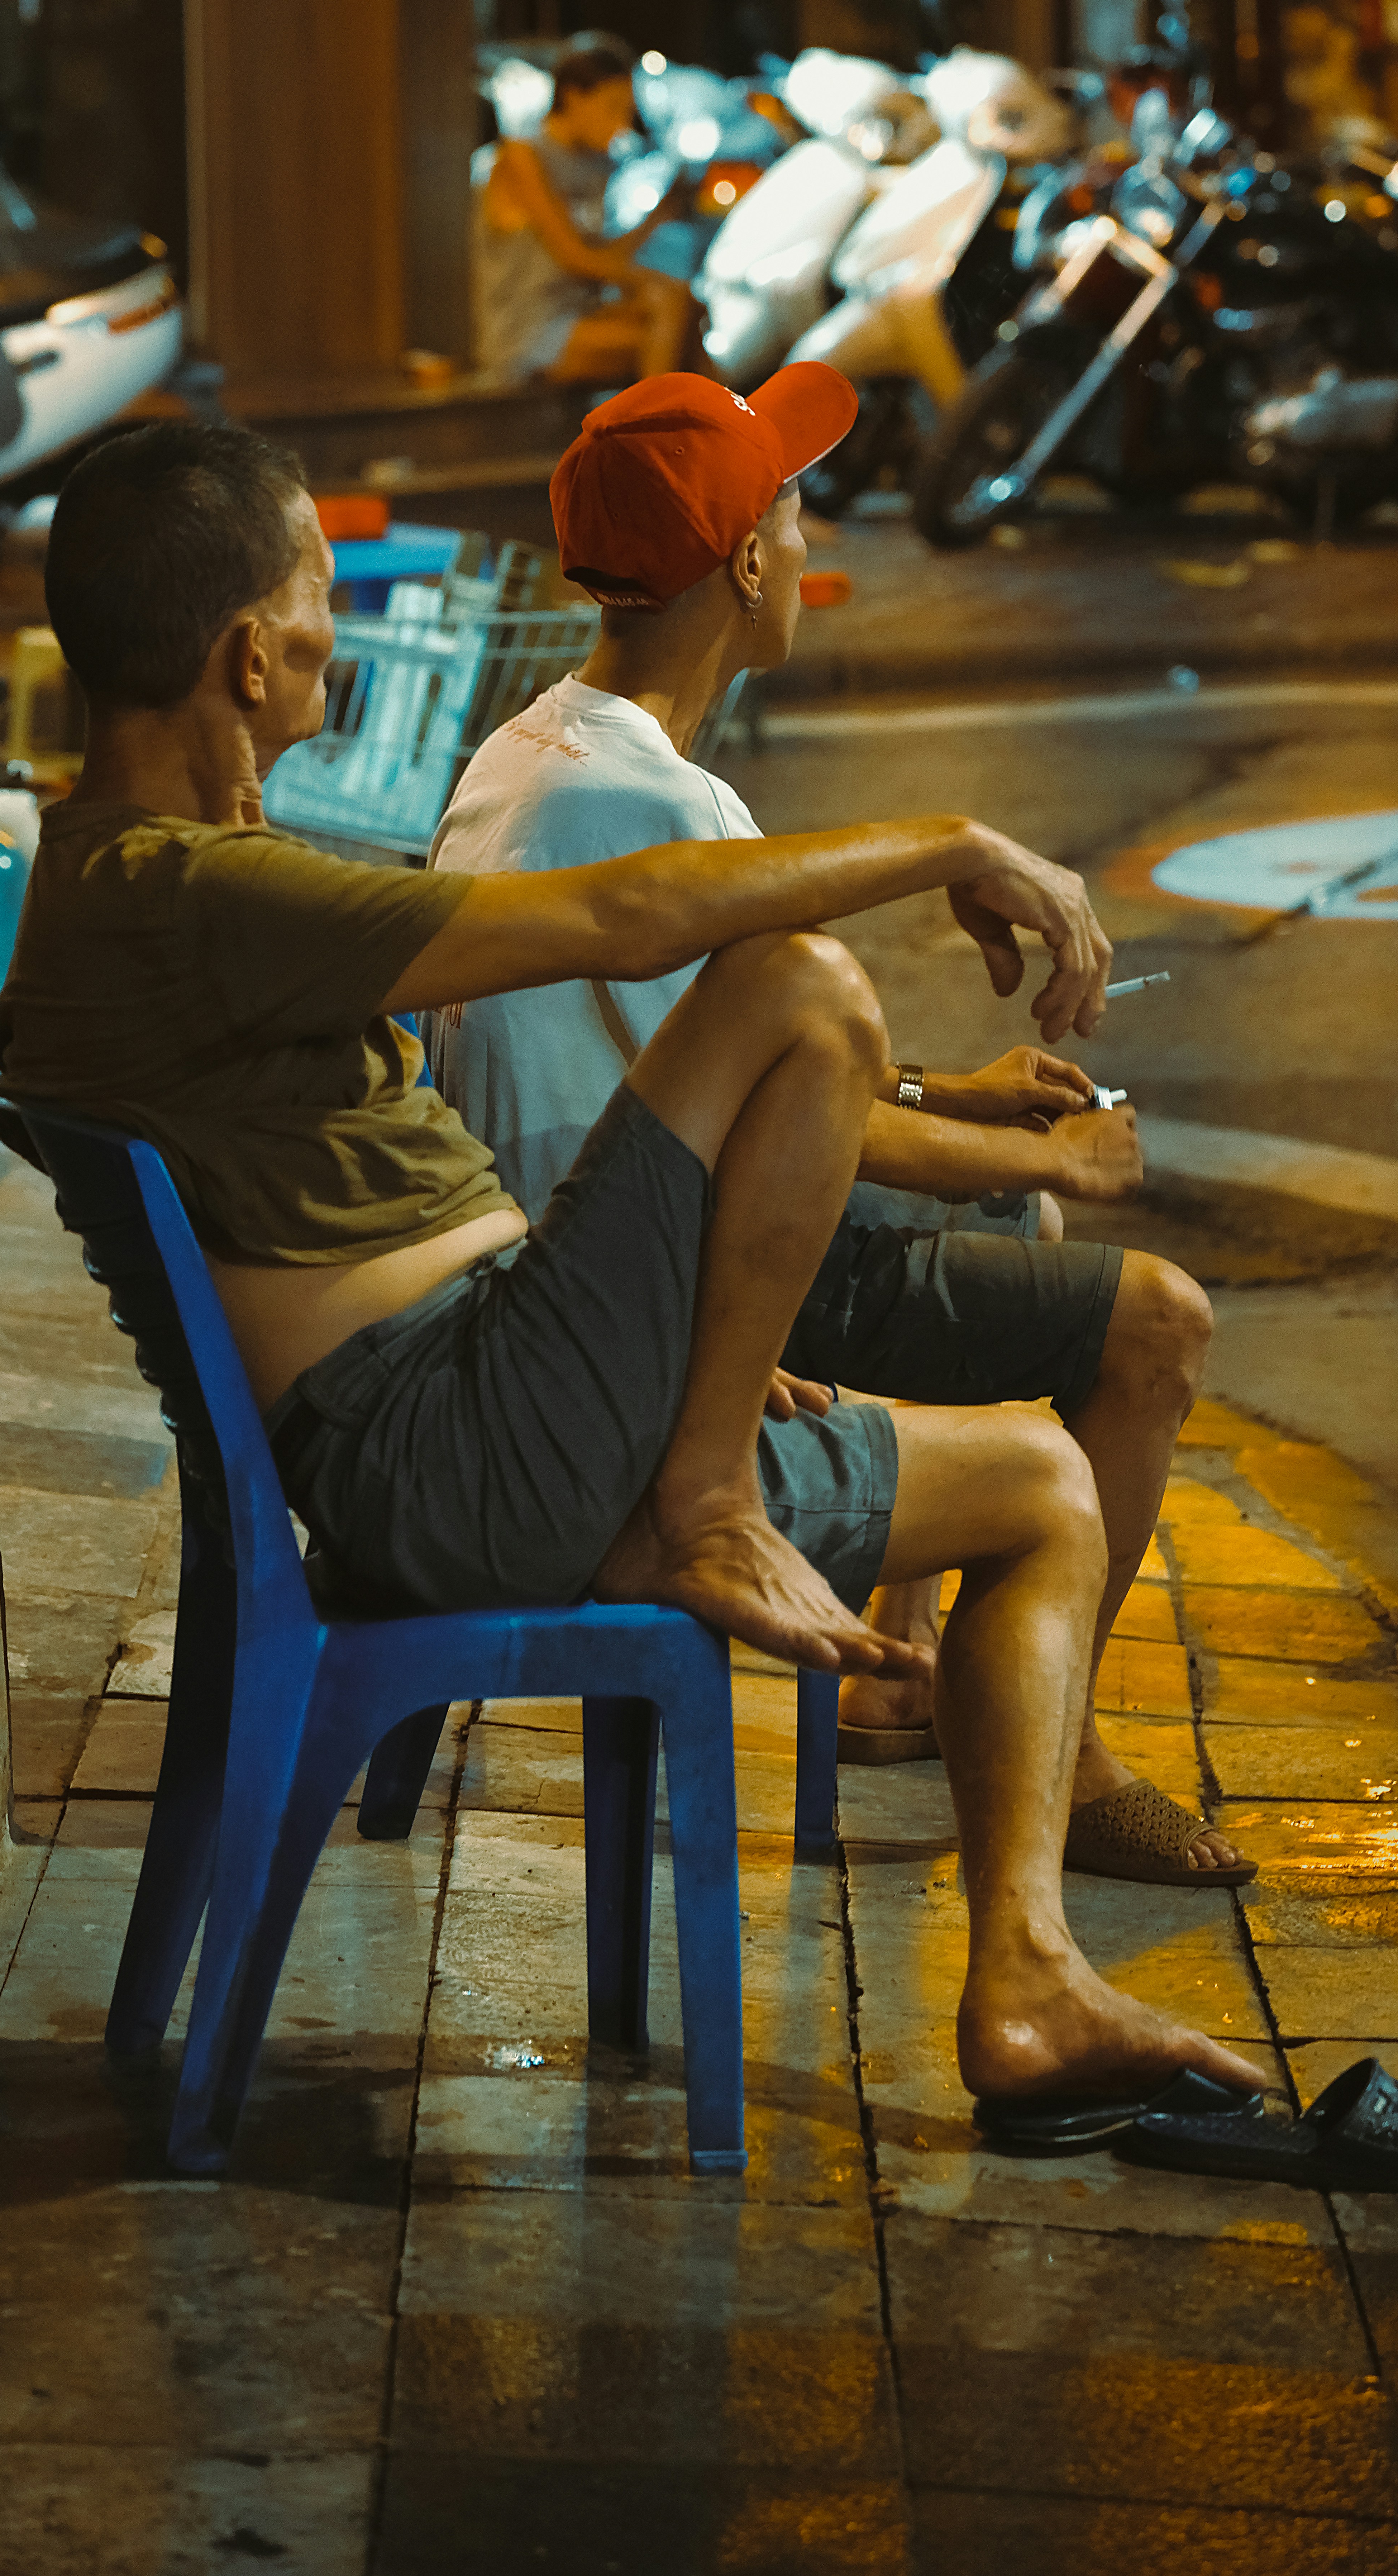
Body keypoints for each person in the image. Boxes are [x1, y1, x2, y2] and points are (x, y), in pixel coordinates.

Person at [0, 414, 1263, 2121]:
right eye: (315, 599)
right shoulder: (194, 891)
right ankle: (707, 1501)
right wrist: (962, 843)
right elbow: (634, 920)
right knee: (802, 989)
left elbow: (423, 1197)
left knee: (1044, 1479)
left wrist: (678, 1342)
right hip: (457, 1453)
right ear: (246, 652)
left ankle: (1023, 1972)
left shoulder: (136, 878)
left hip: (477, 1407)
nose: (334, 634)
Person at [423, 367, 1253, 1891]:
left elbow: (759, 1077)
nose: (810, 543)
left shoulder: (549, 747)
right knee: (1156, 1325)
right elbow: (809, 1133)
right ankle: (1061, 1757)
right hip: (641, 1292)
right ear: (745, 562)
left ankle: (899, 1677)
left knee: (1022, 1229)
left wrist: (966, 1104)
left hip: (612, 1246)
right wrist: (1040, 1149)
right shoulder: (639, 806)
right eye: (796, 511)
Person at [473, 30, 695, 384]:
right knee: (673, 320)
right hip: (529, 332)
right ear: (573, 98)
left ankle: (685, 427)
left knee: (688, 310)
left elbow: (605, 258)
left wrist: (659, 216)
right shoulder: (521, 159)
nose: (622, 125)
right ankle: (657, 431)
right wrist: (653, 280)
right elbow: (575, 258)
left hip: (582, 315)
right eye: (612, 108)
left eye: (627, 112)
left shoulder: (595, 165)